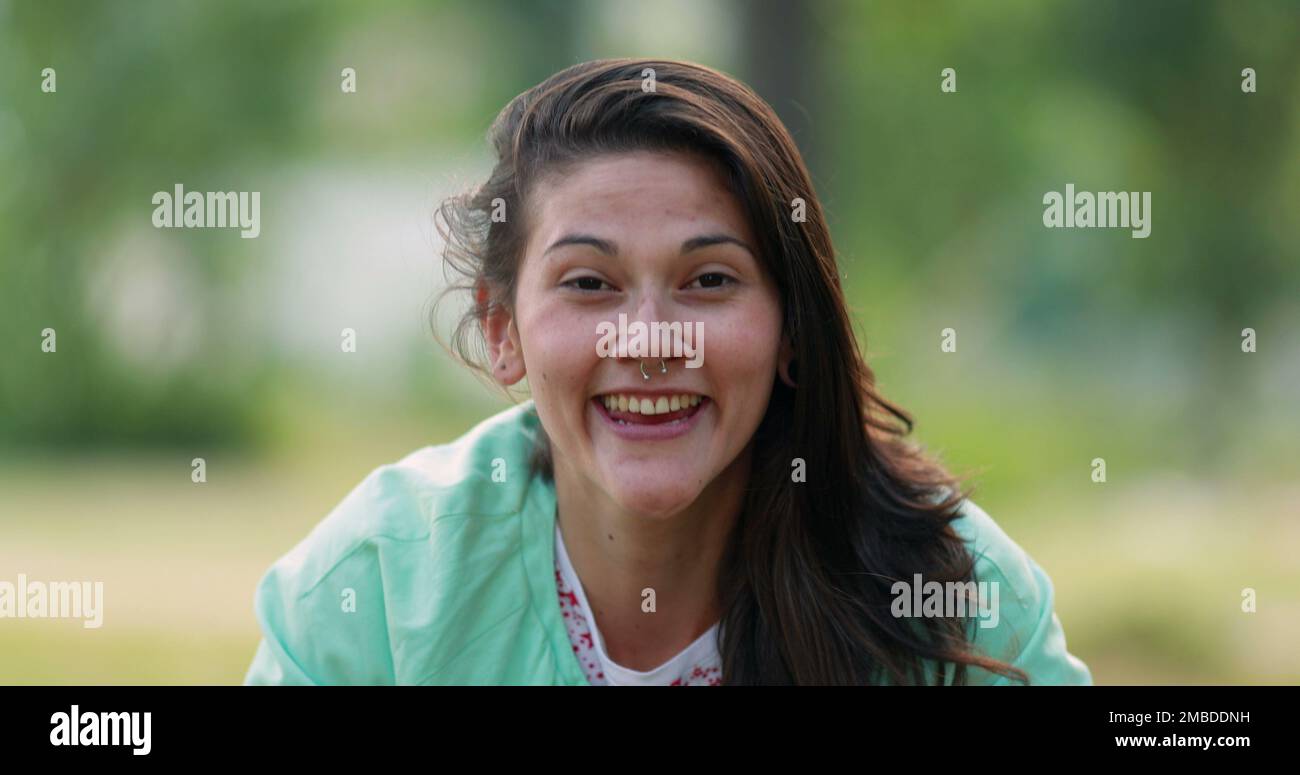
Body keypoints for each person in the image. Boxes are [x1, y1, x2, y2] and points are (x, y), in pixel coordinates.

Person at [243, 58, 1092, 686]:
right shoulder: (376, 590)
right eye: (590, 284)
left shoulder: (953, 596)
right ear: (502, 329)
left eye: (709, 280)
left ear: (792, 327)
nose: (651, 342)